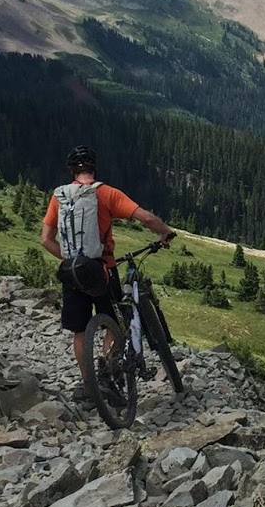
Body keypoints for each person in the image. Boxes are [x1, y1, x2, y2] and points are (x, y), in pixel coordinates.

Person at [40, 145, 174, 400]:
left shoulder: (60, 197)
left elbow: (46, 240)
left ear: (72, 172)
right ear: (94, 168)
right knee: (114, 322)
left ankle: (89, 384)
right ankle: (106, 374)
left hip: (72, 273)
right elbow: (145, 218)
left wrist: (71, 259)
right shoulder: (106, 193)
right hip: (103, 270)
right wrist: (165, 232)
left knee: (80, 330)